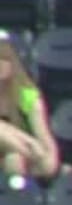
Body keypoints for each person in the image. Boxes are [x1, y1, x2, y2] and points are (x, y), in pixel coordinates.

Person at [0, 39, 60, 180]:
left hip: (27, 160)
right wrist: (30, 144)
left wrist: (48, 158)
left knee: (14, 160)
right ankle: (29, 146)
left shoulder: (27, 95)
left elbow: (44, 138)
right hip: (30, 150)